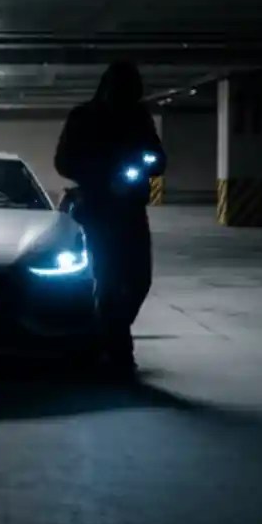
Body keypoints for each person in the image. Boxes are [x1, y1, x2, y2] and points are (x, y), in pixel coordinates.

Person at [54, 61, 165, 373]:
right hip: (98, 208)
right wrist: (103, 173)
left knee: (140, 279)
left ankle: (107, 336)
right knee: (109, 280)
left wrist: (148, 161)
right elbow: (64, 162)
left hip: (131, 209)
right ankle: (118, 348)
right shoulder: (83, 117)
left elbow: (159, 158)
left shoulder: (139, 117)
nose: (127, 94)